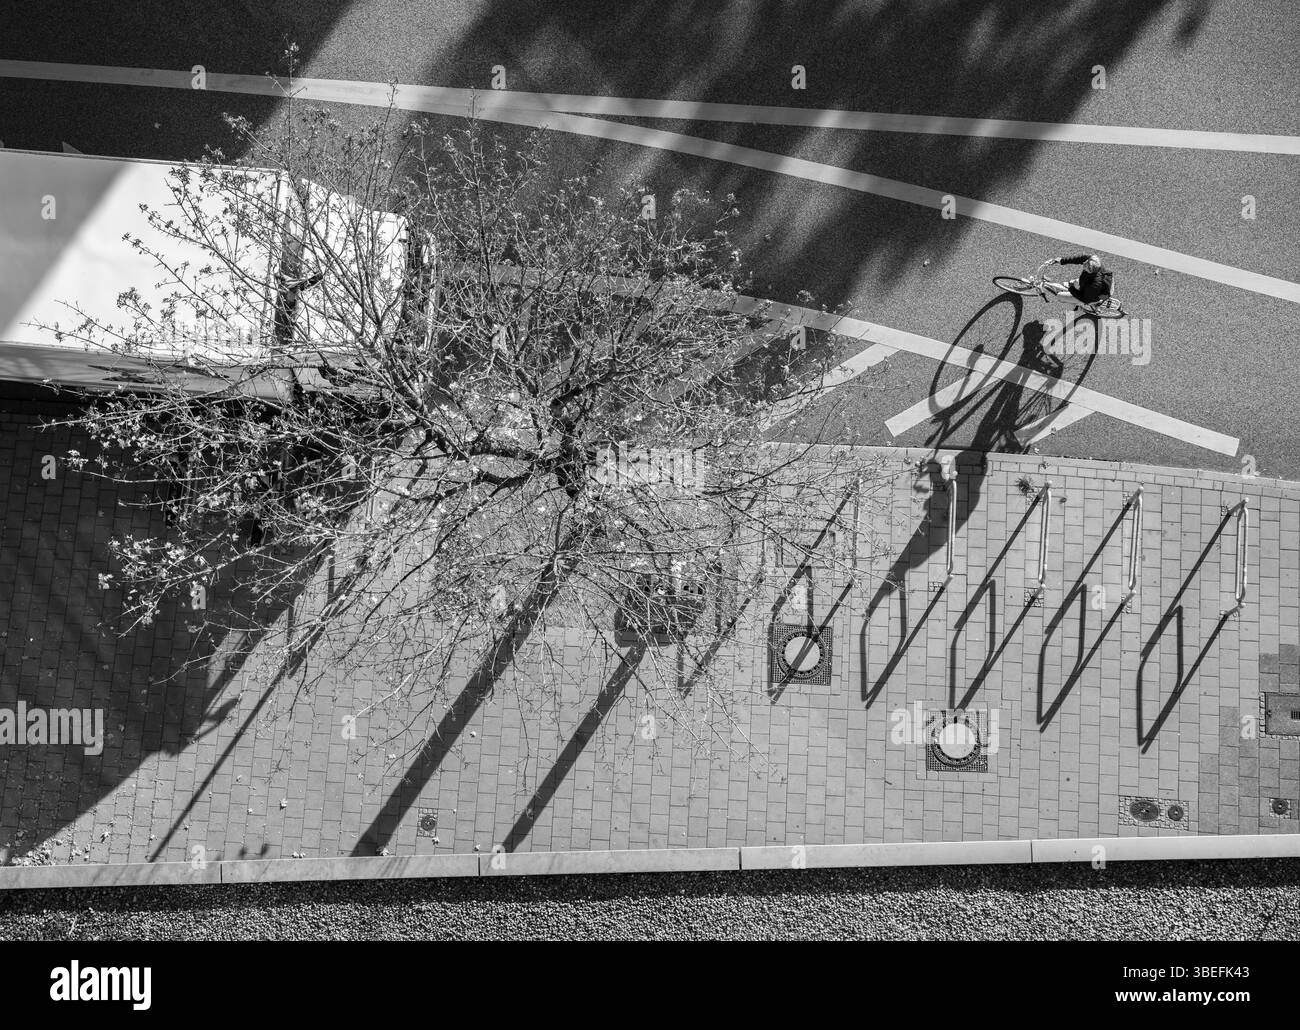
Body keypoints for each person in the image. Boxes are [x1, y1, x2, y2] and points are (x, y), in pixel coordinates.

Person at [1037, 253, 1113, 306]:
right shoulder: (1093, 262)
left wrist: (1071, 289)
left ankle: (1076, 307)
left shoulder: (1094, 285)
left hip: (1091, 297)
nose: (1083, 263)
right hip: (1087, 286)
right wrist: (1062, 260)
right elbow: (1079, 259)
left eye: (1085, 265)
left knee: (1060, 296)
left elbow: (1086, 299)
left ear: (1090, 271)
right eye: (1086, 262)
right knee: (1074, 283)